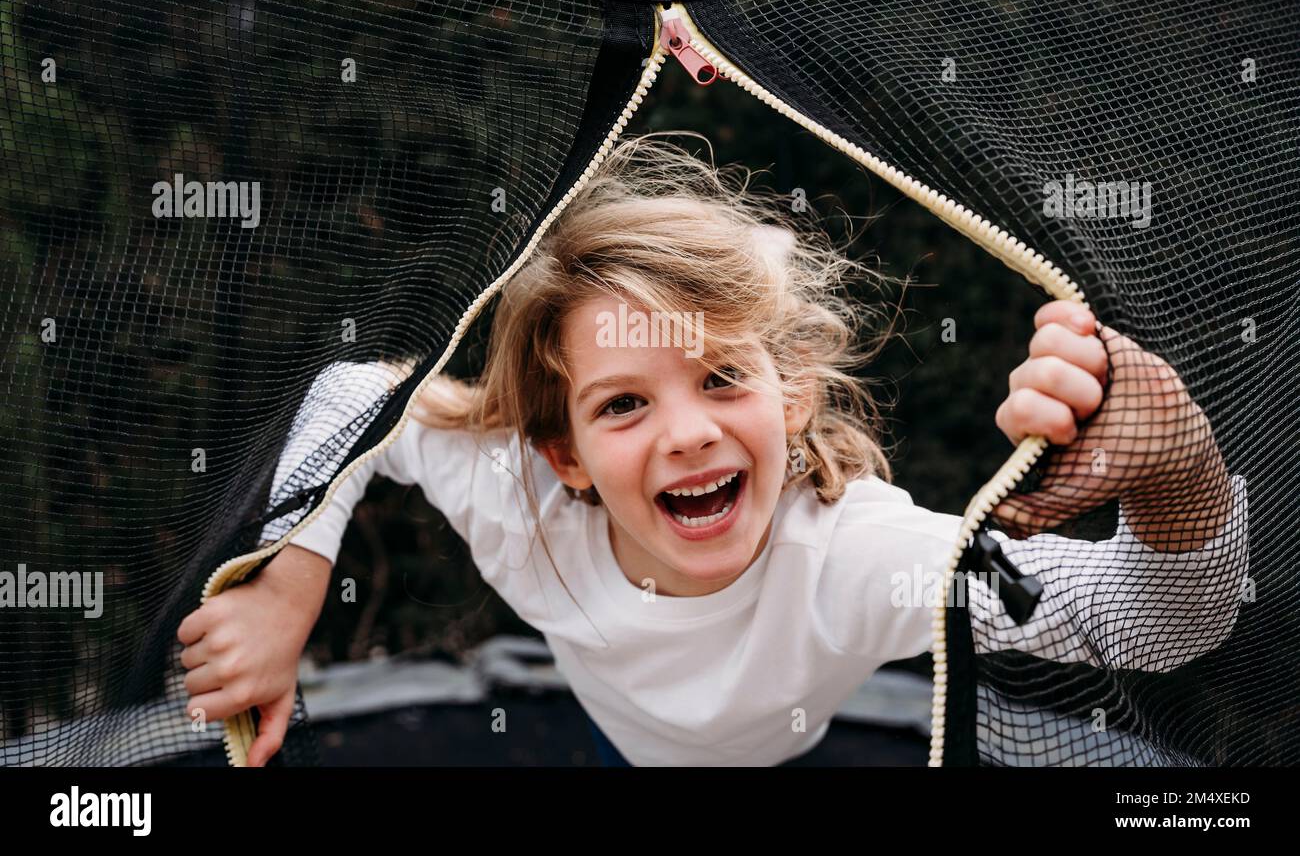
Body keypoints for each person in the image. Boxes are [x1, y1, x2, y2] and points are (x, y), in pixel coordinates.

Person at [178, 133, 1248, 767]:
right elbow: (354, 392)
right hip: (613, 741)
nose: (688, 430)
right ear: (566, 454)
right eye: (624, 403)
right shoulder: (517, 495)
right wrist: (289, 585)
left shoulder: (857, 553)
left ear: (792, 397)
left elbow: (1153, 622)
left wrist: (1175, 460)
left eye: (723, 378)